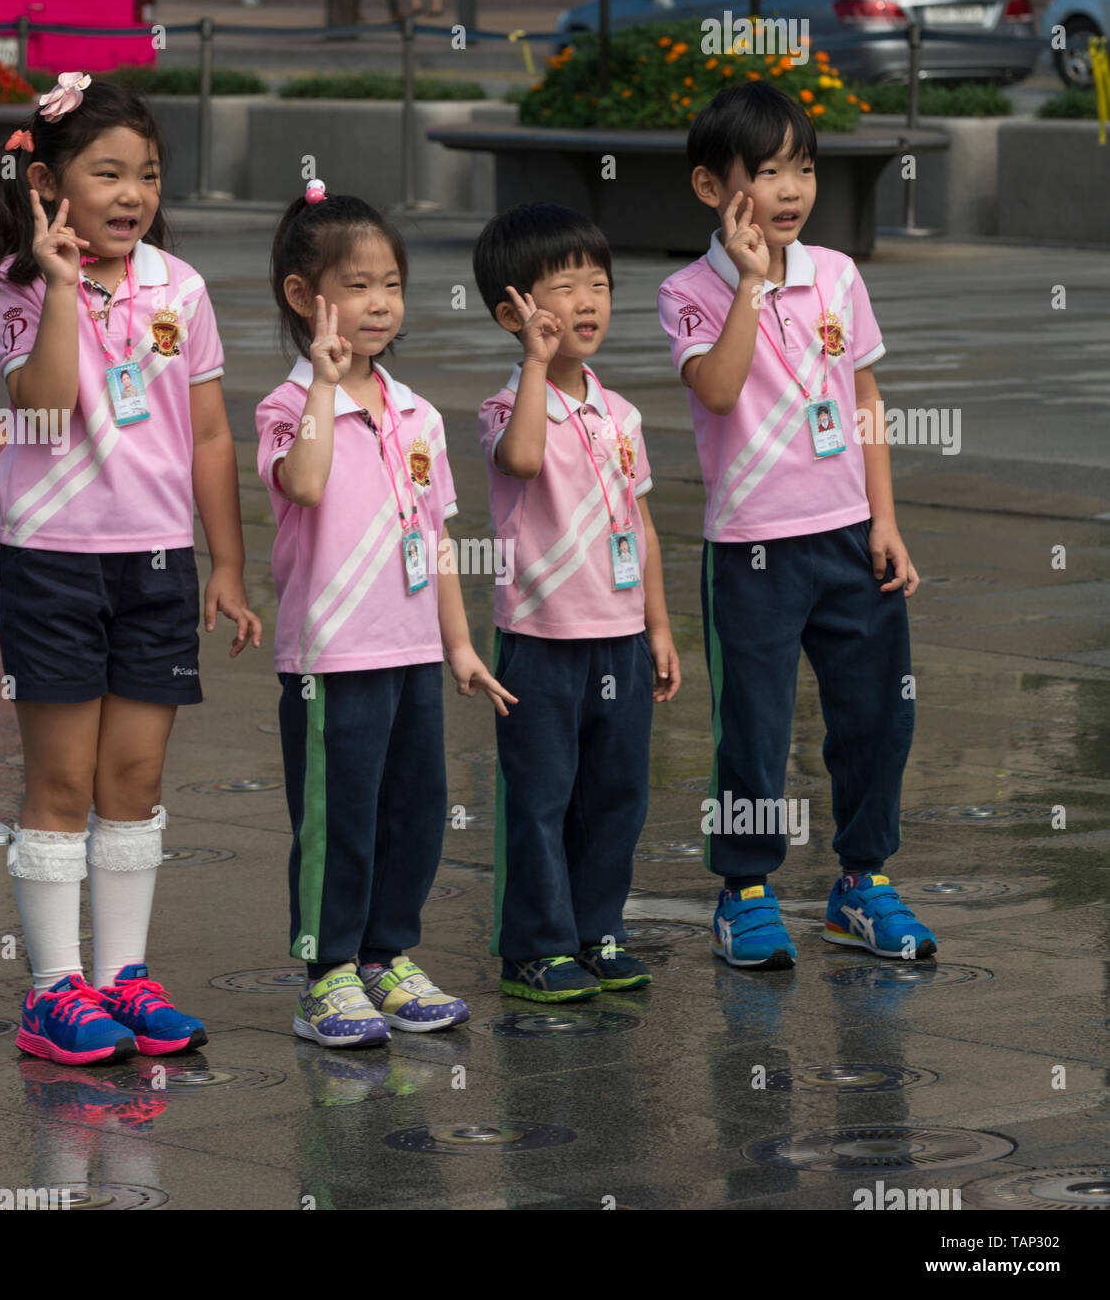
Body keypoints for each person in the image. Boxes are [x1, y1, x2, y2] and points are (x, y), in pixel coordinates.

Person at [0, 73, 263, 1063]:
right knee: (61, 778)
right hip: (52, 563)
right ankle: (54, 989)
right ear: (51, 184)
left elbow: (210, 433)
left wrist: (225, 560)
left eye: (147, 173)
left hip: (156, 563)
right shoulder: (18, 283)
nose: (132, 193)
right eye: (107, 173)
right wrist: (55, 281)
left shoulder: (180, 287)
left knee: (133, 776)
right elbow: (45, 408)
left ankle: (123, 976)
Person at [656, 81, 935, 970]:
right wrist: (747, 282)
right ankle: (744, 892)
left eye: (803, 169)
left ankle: (862, 882)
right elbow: (720, 388)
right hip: (753, 550)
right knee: (756, 726)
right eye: (767, 171)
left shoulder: (838, 276)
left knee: (875, 718)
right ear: (713, 187)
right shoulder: (688, 291)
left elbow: (863, 398)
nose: (790, 190)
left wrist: (884, 518)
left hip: (851, 537)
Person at [256, 181, 515, 1047]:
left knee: (414, 807)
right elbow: (305, 482)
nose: (380, 304)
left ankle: (386, 955)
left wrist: (460, 643)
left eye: (392, 285)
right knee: (338, 820)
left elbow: (436, 535)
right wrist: (329, 387)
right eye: (359, 284)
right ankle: (326, 974)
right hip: (330, 658)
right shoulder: (288, 408)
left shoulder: (416, 414)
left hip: (408, 652)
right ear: (305, 296)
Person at [473, 203, 681, 1003]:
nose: (589, 301)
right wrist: (535, 365)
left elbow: (644, 523)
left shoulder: (620, 412)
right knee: (540, 798)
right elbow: (522, 459)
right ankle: (535, 947)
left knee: (617, 795)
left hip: (619, 639)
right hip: (542, 639)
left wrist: (658, 627)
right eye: (565, 286)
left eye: (599, 283)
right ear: (513, 312)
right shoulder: (505, 407)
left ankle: (598, 931)